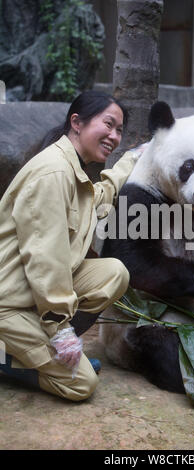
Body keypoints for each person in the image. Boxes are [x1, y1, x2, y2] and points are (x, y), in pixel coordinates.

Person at [0, 90, 142, 401]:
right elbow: (45, 260)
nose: (114, 136)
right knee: (82, 385)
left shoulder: (72, 170)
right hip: (8, 303)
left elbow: (99, 196)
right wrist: (60, 330)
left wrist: (133, 159)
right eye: (108, 124)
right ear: (76, 122)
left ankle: (42, 349)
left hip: (31, 294)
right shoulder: (53, 171)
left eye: (119, 130)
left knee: (113, 272)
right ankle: (8, 360)